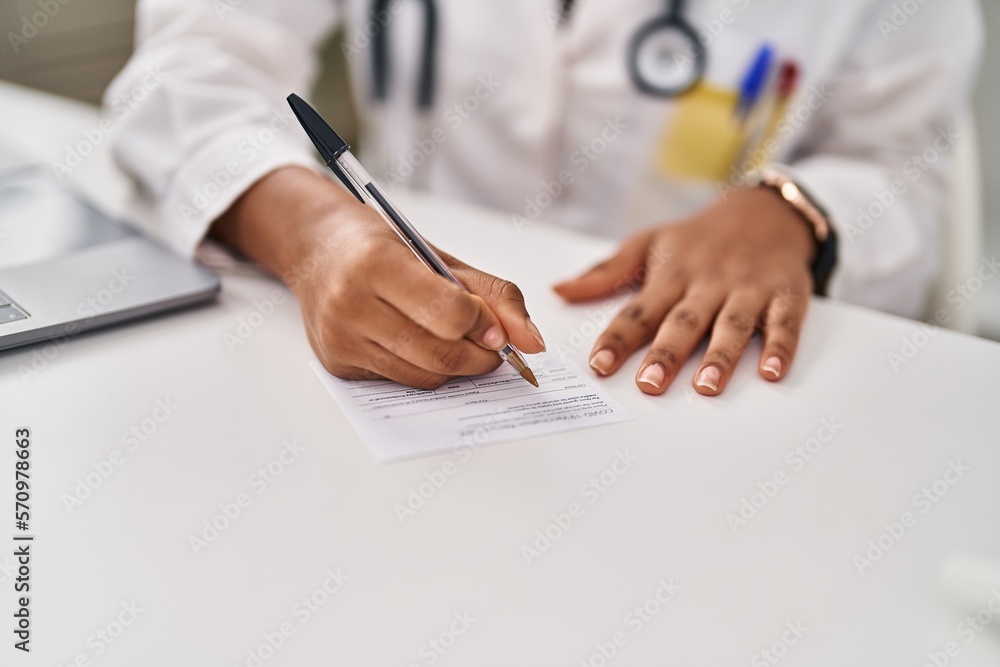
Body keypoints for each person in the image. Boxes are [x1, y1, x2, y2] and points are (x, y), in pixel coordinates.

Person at [104, 0, 981, 395]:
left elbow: (908, 161)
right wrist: (315, 233)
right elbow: (185, 71)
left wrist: (792, 209)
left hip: (699, 379)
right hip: (425, 315)